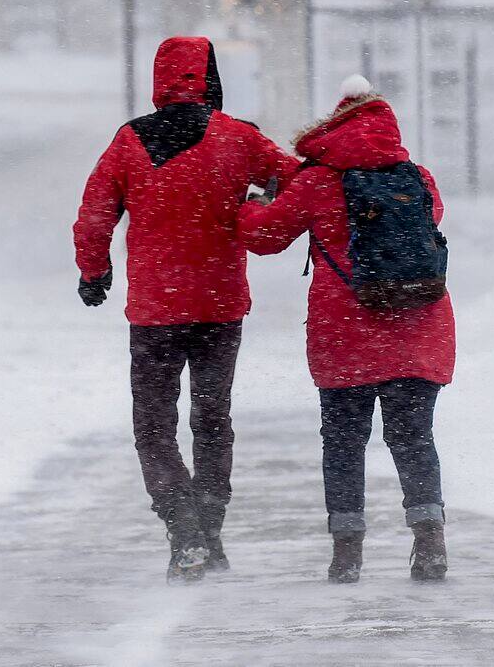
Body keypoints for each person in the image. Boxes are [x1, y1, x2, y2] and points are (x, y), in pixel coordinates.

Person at [73, 36, 298, 583]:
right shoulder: (239, 139)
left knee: (153, 426)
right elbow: (293, 179)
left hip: (155, 311)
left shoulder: (129, 142)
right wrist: (259, 203)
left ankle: (184, 532)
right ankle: (210, 531)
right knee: (212, 420)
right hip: (219, 305)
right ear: (209, 78)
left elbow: (95, 212)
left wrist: (93, 270)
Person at [236, 76, 456, 584]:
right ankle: (430, 545)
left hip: (347, 335)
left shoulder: (317, 182)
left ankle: (347, 553)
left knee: (343, 442)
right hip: (419, 328)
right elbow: (427, 227)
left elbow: (264, 237)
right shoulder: (419, 179)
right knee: (414, 438)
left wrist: (251, 202)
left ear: (332, 131)